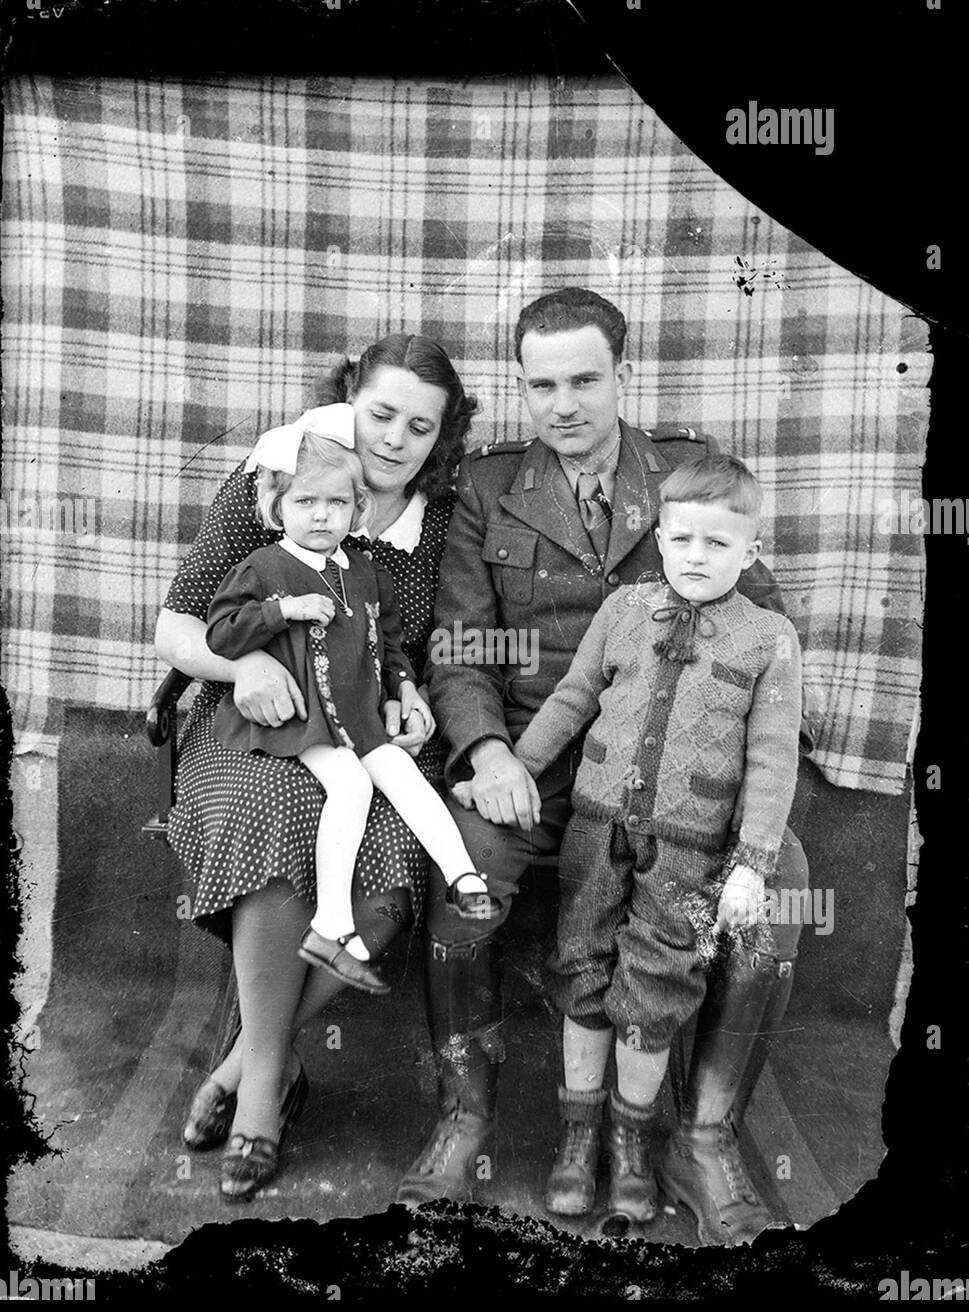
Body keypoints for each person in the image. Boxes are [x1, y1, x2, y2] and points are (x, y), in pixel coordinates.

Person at [396, 287, 810, 1247]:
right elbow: (459, 648)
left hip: (683, 779)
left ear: (622, 375)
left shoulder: (684, 476)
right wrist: (492, 752)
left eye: (584, 379)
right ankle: (465, 1118)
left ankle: (700, 1141)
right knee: (462, 874)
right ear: (522, 390)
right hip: (536, 766)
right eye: (541, 385)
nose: (563, 404)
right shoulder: (489, 489)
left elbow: (760, 631)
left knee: (781, 886)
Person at [155, 333, 476, 1201]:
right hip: (255, 721)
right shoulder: (282, 469)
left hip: (374, 726)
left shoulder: (444, 516)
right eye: (380, 413)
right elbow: (180, 624)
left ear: (440, 438)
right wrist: (243, 666)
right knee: (277, 810)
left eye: (420, 425)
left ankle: (234, 1067)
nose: (394, 439)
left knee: (394, 860)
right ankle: (263, 1097)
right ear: (349, 400)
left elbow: (443, 646)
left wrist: (417, 701)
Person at [514, 455, 802, 1238]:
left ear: (749, 552)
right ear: (660, 539)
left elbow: (772, 760)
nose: (696, 556)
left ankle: (630, 1140)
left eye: (717, 542)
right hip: (595, 827)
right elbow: (574, 696)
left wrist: (751, 862)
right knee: (581, 963)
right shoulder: (623, 609)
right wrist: (519, 766)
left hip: (691, 851)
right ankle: (576, 1138)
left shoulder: (768, 638)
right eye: (681, 539)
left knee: (656, 981)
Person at [206, 403, 495, 997]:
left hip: (360, 718)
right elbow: (219, 634)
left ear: (356, 507)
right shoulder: (264, 567)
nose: (321, 516)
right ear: (276, 506)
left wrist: (405, 686)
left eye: (336, 504)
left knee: (404, 775)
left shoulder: (362, 571)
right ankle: (331, 925)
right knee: (352, 785)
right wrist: (280, 611)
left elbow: (385, 645)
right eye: (305, 503)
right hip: (298, 721)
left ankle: (464, 877)